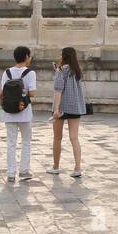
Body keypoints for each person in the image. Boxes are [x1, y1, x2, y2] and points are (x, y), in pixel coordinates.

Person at [47, 46, 88, 178]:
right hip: (75, 107)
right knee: (74, 138)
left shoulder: (61, 71)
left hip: (62, 108)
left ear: (64, 56)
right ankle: (77, 168)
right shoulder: (77, 71)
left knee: (57, 138)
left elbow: (58, 91)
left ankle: (56, 166)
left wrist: (56, 109)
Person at [0, 45, 38, 183]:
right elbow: (32, 93)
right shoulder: (30, 73)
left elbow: (2, 93)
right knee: (26, 142)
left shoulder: (7, 73)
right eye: (30, 56)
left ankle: (10, 173)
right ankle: (23, 171)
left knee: (11, 143)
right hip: (25, 112)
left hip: (9, 112)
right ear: (26, 57)